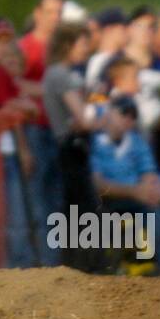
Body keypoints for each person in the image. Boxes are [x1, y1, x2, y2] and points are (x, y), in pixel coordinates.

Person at [90, 95, 160, 276]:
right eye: (124, 113)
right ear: (109, 113)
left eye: (133, 116)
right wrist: (135, 192)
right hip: (113, 199)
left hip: (141, 194)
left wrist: (151, 189)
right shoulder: (94, 143)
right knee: (154, 212)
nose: (128, 119)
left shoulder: (135, 140)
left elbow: (148, 170)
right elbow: (98, 185)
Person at [42, 21, 101, 270]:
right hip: (70, 149)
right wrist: (102, 118)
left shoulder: (61, 74)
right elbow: (82, 119)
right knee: (83, 209)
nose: (86, 48)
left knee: (76, 208)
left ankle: (78, 266)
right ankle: (84, 268)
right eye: (82, 43)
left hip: (69, 148)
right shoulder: (61, 74)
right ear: (68, 45)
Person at [18, 0, 66, 265]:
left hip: (58, 130)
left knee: (55, 201)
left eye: (60, 12)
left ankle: (52, 264)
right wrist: (50, 91)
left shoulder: (61, 51)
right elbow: (15, 84)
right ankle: (33, 265)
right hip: (34, 128)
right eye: (50, 12)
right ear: (38, 13)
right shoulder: (26, 47)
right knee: (37, 199)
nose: (56, 18)